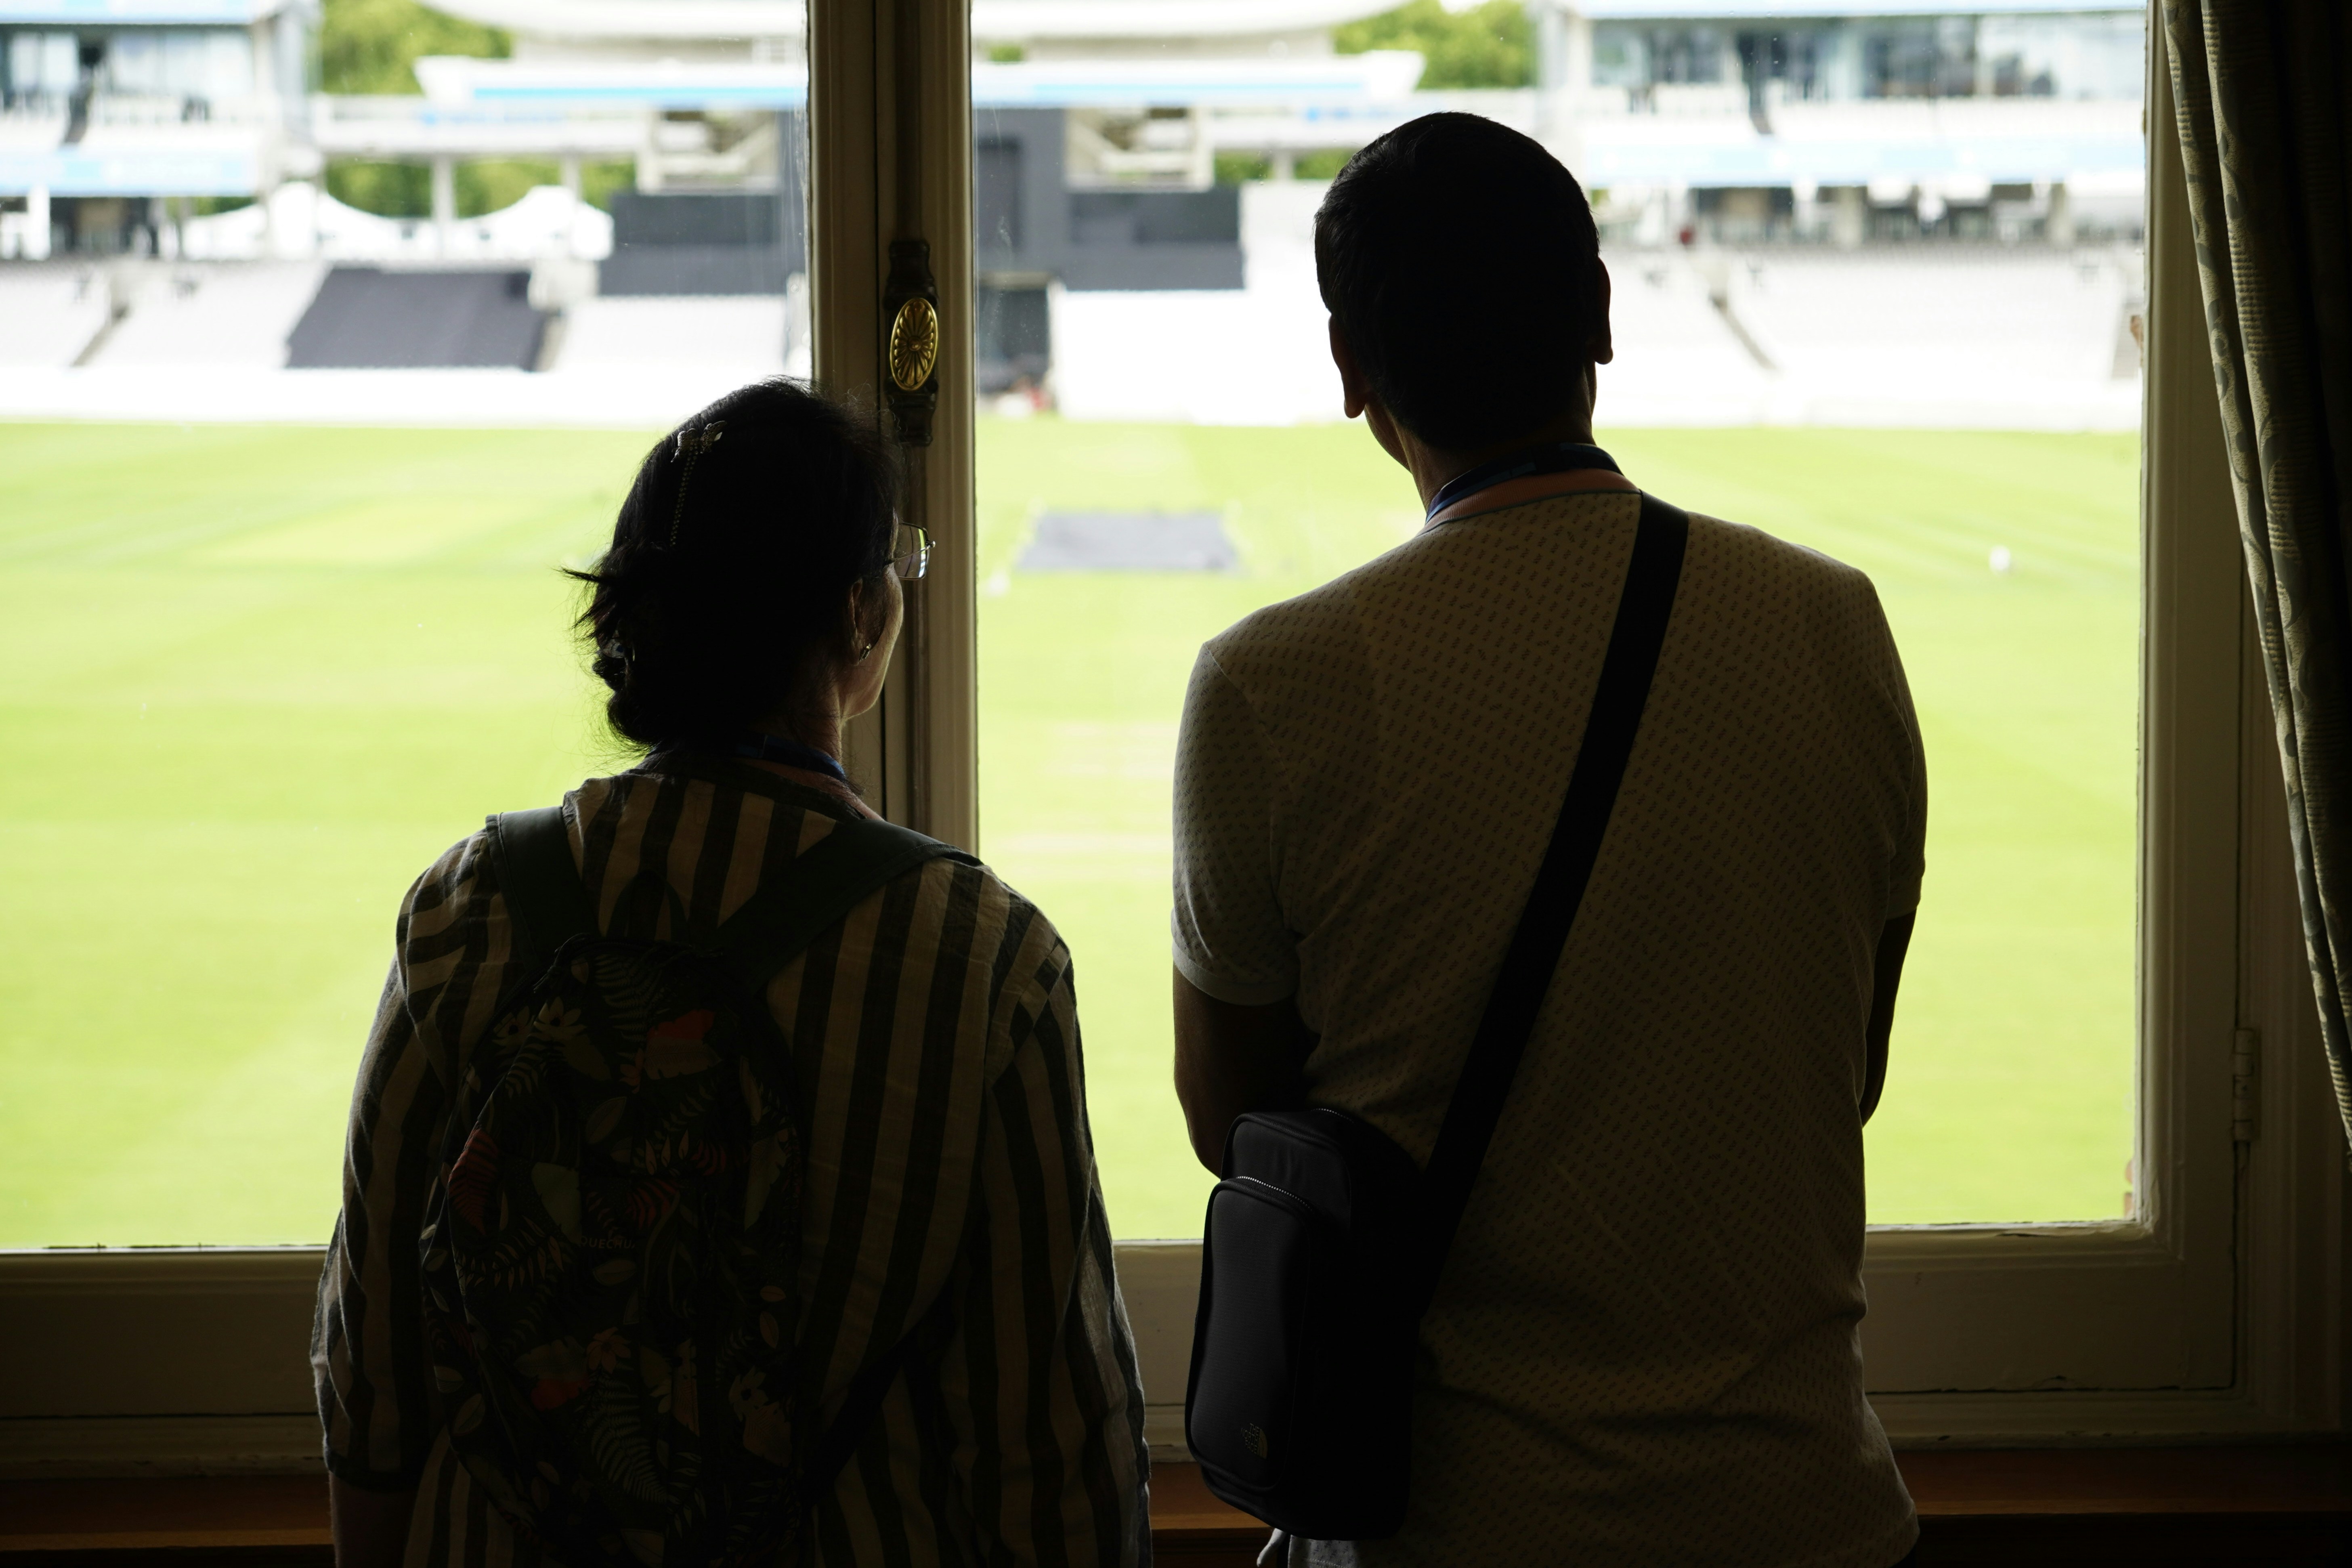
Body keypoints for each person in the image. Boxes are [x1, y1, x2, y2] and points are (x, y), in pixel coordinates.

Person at [1169, 114, 1924, 1568]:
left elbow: (1235, 1127)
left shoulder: (1272, 684)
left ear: (1348, 371)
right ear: (1599, 314)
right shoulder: (1835, 626)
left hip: (1452, 1526)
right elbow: (1846, 1067)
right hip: (1807, 1516)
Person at [314, 379, 1150, 1568]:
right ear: (861, 615)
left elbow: (374, 1375)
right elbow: (1053, 1450)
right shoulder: (984, 958)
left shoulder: (467, 907)